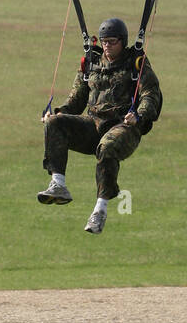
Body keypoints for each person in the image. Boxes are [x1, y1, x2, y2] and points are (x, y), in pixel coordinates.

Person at [38, 16, 162, 234]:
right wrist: (55, 113)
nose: (107, 46)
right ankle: (58, 184)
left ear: (122, 42)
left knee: (107, 146)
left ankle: (99, 210)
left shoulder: (136, 63)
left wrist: (139, 115)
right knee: (55, 123)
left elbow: (150, 95)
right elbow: (76, 100)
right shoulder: (91, 63)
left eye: (112, 41)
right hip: (93, 123)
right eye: (104, 41)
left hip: (124, 126)